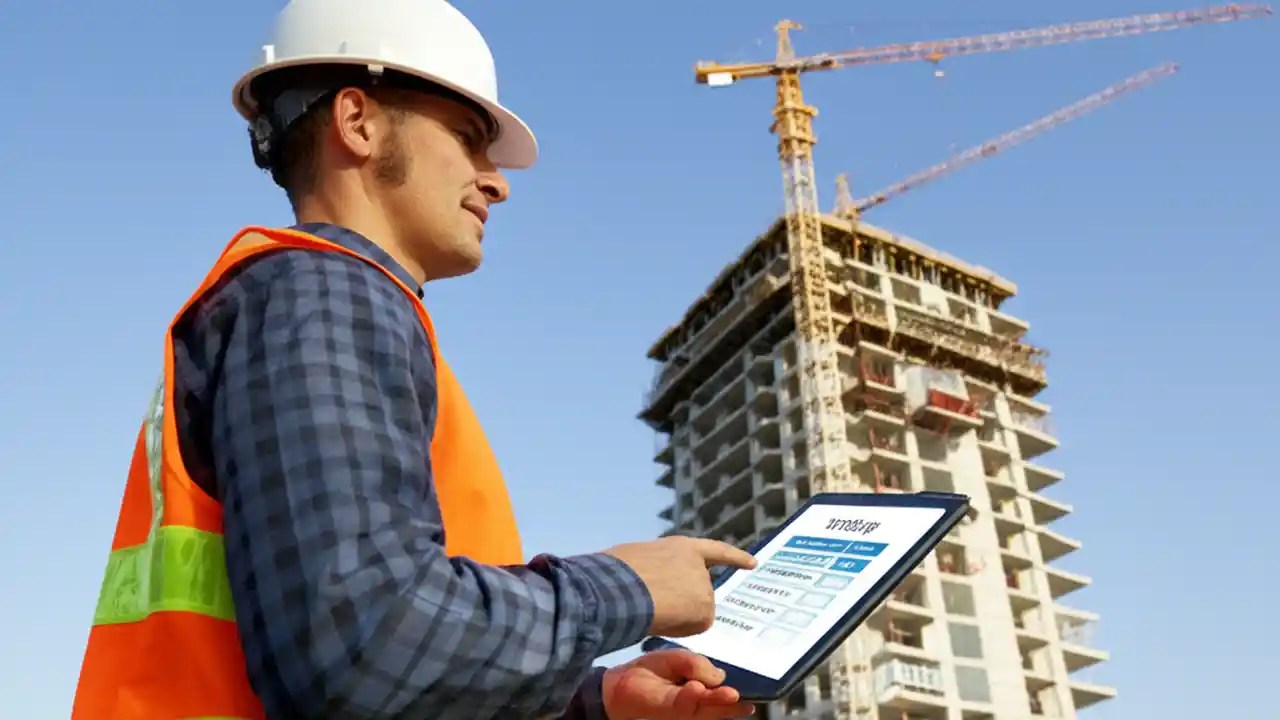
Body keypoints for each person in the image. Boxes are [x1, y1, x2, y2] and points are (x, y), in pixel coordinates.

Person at [70, 1, 760, 718]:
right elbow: (364, 650)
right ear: (357, 122)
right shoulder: (324, 294)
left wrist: (600, 699)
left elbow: (390, 661)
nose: (497, 181)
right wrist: (625, 588)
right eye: (469, 138)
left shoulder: (319, 301)